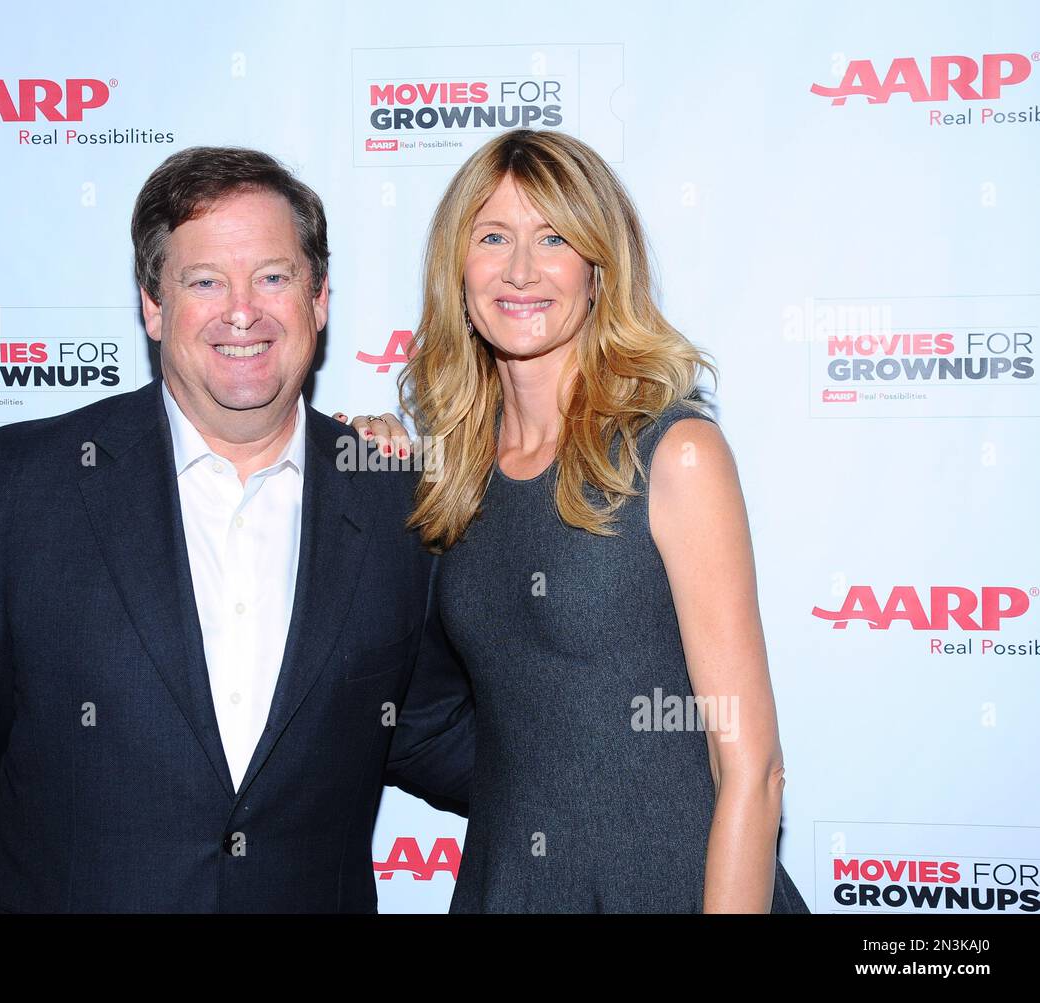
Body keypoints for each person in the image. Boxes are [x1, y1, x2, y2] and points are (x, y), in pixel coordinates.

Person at [0, 147, 474, 914]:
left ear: (319, 299)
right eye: (205, 280)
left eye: (273, 277)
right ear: (154, 305)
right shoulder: (17, 489)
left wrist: (617, 760)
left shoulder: (395, 501)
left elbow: (426, 729)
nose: (242, 310)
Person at [343, 129, 808, 912]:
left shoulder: (674, 453)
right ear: (458, 271)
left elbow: (753, 768)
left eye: (552, 237)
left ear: (598, 270)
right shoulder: (452, 474)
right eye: (493, 237)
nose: (520, 269)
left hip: (673, 888)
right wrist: (364, 469)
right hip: (509, 886)